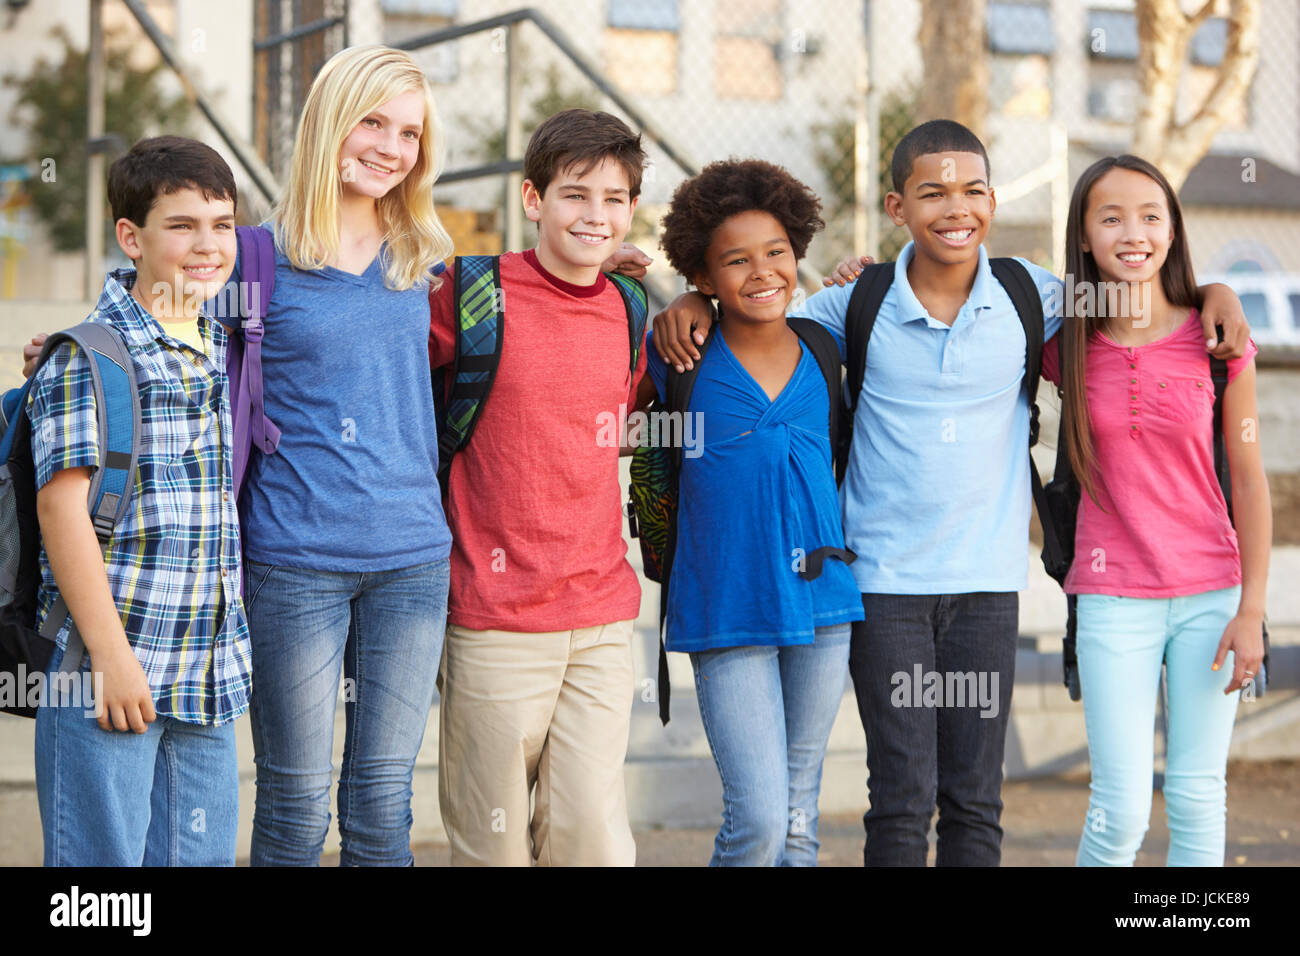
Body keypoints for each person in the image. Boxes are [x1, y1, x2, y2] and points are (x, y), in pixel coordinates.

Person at [652, 119, 1250, 867]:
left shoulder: (1035, 297)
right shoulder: (852, 305)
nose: (955, 207)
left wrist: (1216, 289)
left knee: (975, 802)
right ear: (898, 206)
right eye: (933, 192)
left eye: (972, 190)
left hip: (987, 592)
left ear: (994, 201)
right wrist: (692, 305)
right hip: (883, 590)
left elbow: (1142, 301)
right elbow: (758, 312)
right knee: (901, 801)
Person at [430, 109, 647, 866]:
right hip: (493, 616)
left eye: (615, 199)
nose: (596, 216)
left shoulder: (630, 308)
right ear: (533, 199)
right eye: (575, 195)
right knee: (492, 847)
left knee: (594, 842)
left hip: (599, 614)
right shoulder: (468, 293)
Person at [1042, 155, 1268, 866]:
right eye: (1110, 217)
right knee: (1120, 811)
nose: (1132, 232)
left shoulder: (1218, 341)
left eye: (1150, 215)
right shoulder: (1065, 345)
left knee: (1200, 798)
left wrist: (1253, 609)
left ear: (1172, 229)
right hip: (1113, 595)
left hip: (1214, 593)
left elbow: (1253, 480)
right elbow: (965, 303)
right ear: (1083, 236)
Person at [638, 158, 864, 865]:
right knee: (761, 819)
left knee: (800, 820)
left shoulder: (827, 346)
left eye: (776, 253)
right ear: (702, 277)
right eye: (735, 261)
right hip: (726, 607)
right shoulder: (678, 356)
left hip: (825, 603)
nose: (762, 272)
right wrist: (651, 291)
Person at [29, 136, 247, 865]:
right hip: (113, 664)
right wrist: (111, 657)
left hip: (208, 672)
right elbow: (61, 512)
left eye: (222, 224)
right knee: (103, 881)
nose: (207, 245)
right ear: (132, 236)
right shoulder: (86, 355)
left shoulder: (224, 342)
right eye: (181, 225)